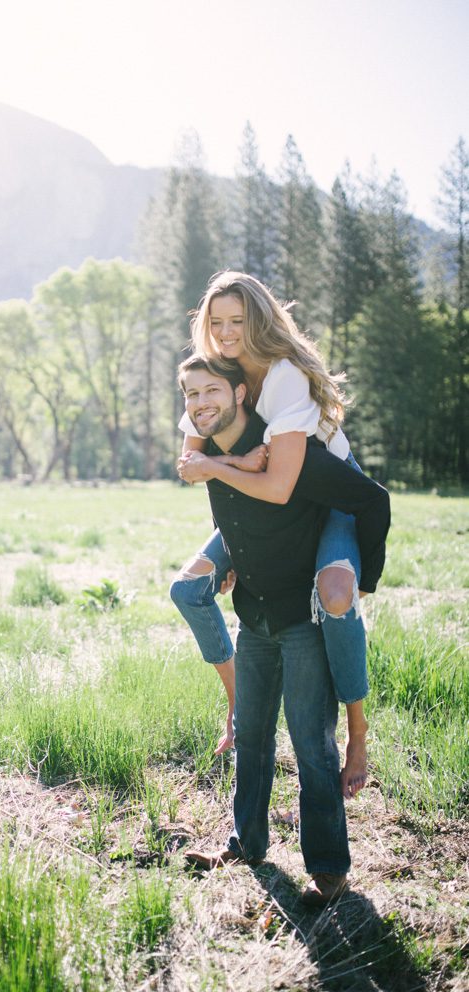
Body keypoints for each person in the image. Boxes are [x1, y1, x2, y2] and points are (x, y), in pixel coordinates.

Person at [177, 353, 390, 904]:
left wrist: (247, 466)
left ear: (241, 394)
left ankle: (328, 871)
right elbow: (227, 517)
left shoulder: (279, 446)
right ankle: (245, 843)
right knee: (251, 735)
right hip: (254, 614)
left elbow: (335, 500)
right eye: (191, 395)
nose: (201, 404)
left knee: (311, 745)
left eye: (212, 393)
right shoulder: (207, 448)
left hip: (302, 620)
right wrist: (225, 562)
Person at [171, 271, 373, 798]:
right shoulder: (213, 373)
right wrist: (235, 530)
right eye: (217, 322)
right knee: (189, 589)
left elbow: (281, 482)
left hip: (326, 501)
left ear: (259, 318)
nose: (228, 331)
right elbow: (195, 460)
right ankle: (239, 704)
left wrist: (226, 466)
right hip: (259, 505)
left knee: (332, 596)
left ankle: (357, 731)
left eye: (238, 320)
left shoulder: (283, 374)